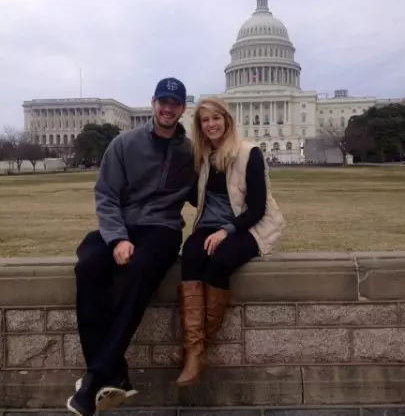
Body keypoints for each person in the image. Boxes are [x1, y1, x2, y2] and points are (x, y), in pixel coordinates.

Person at [66, 77, 196, 416]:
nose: (168, 109)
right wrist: (118, 237)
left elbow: (213, 192)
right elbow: (106, 195)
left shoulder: (190, 153)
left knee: (137, 272)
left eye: (174, 104)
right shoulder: (124, 144)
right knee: (88, 268)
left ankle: (95, 377)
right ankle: (115, 372)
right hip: (122, 226)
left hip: (162, 229)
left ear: (182, 109)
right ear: (153, 103)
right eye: (163, 102)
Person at [175, 97, 285, 387]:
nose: (211, 124)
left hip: (247, 225)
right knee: (191, 257)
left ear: (227, 119)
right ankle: (195, 348)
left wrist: (226, 231)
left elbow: (258, 207)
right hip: (208, 224)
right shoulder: (202, 154)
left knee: (220, 261)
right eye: (204, 120)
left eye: (216, 118)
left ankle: (195, 350)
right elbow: (194, 195)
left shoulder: (250, 153)